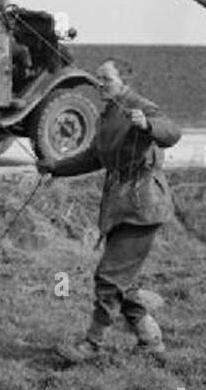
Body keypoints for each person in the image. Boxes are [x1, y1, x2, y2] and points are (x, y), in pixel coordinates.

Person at [37, 58, 181, 364]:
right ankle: (150, 340)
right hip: (122, 204)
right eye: (99, 79)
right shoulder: (110, 113)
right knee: (121, 278)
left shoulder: (139, 106)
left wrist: (148, 125)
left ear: (124, 81)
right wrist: (56, 167)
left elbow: (172, 132)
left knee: (109, 277)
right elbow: (94, 157)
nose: (101, 84)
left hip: (143, 205)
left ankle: (92, 343)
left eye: (108, 79)